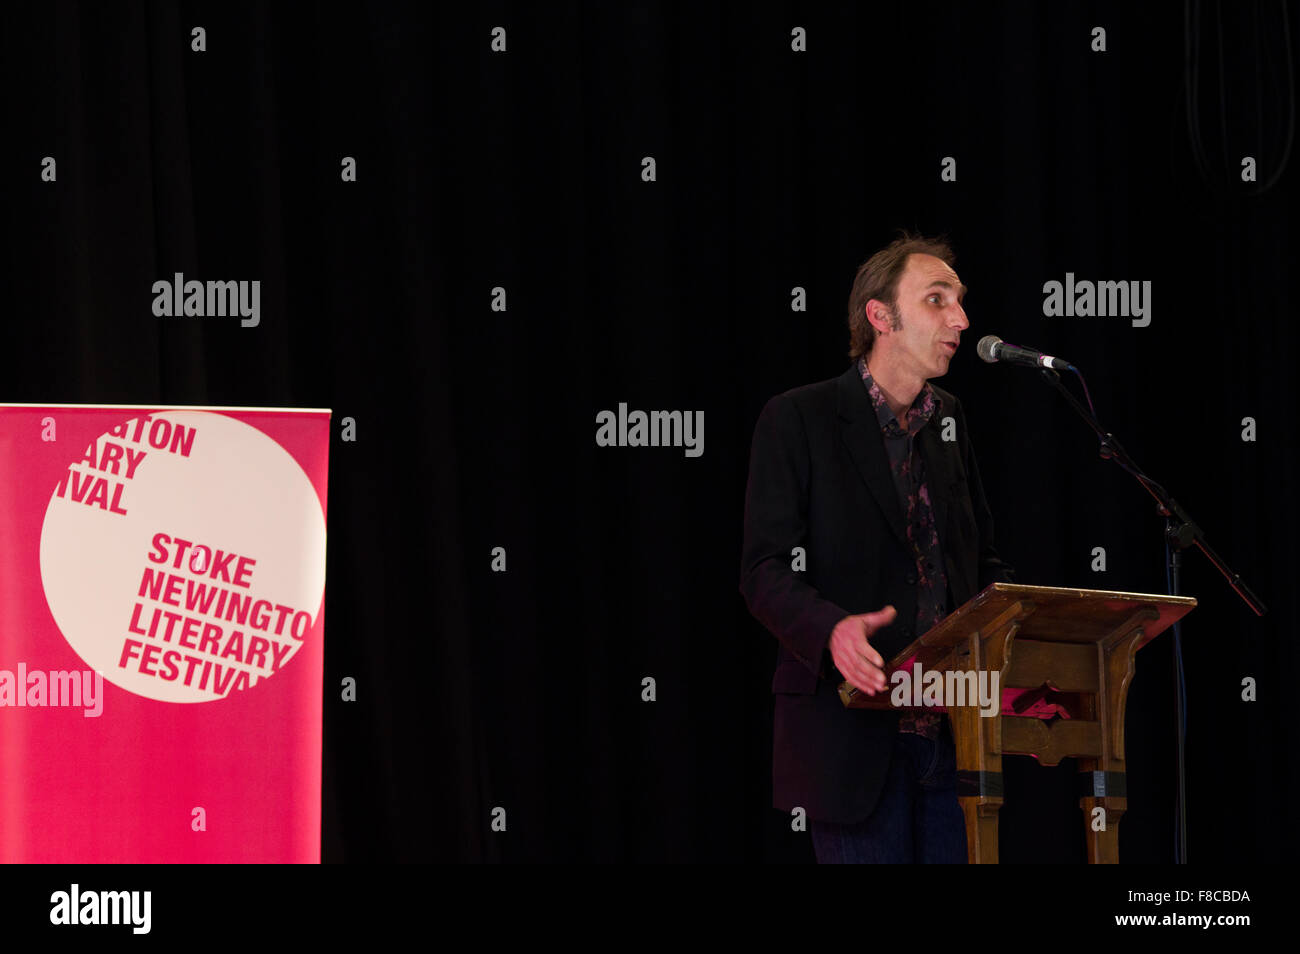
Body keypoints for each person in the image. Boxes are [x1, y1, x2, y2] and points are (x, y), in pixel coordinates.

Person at [739, 232, 1016, 863]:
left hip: (953, 736)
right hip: (852, 736)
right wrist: (832, 629)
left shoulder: (949, 419)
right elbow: (763, 571)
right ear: (881, 316)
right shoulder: (798, 418)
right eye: (938, 300)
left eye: (961, 302)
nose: (962, 320)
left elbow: (981, 564)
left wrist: (1022, 626)